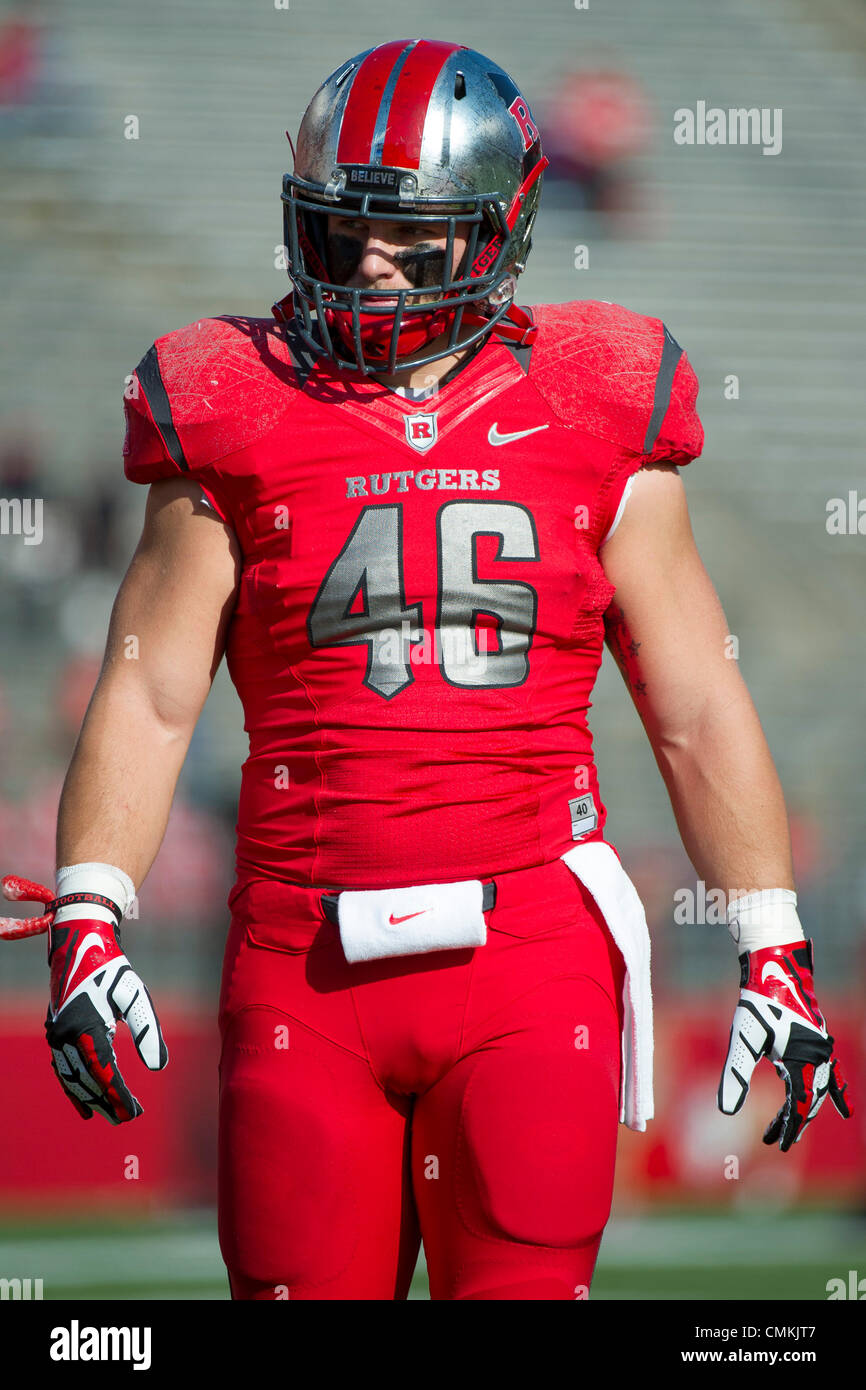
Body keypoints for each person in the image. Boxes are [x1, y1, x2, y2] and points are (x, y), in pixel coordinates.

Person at [35, 39, 851, 1300]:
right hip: (302, 946)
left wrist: (770, 938)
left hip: (529, 951)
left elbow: (691, 698)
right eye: (343, 225)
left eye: (408, 234)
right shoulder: (231, 403)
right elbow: (148, 689)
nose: (366, 260)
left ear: (498, 231)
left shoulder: (594, 402)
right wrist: (90, 910)